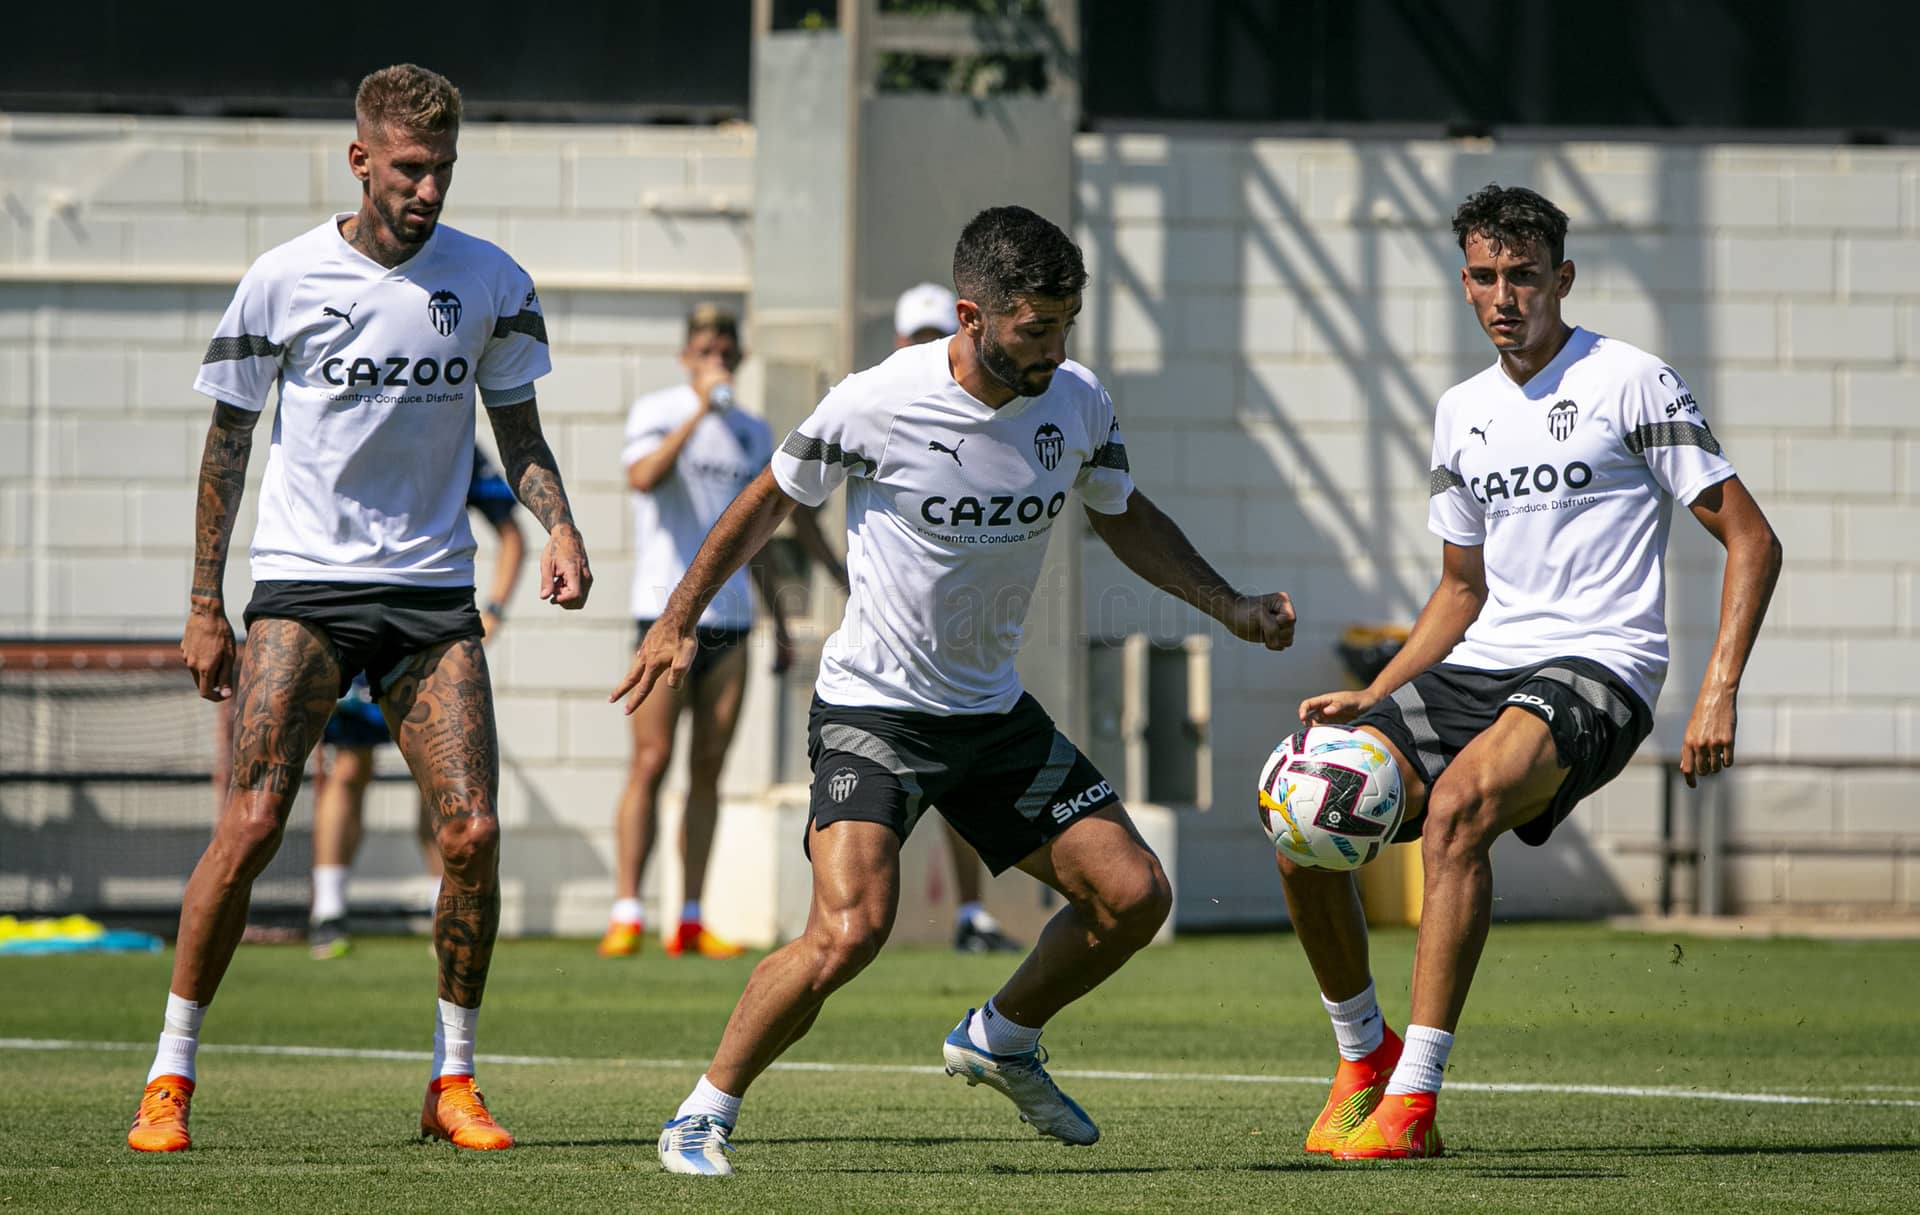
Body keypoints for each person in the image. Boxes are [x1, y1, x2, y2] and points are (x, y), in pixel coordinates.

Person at [614, 205, 1297, 1177]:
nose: (1056, 348)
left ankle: (1003, 1036)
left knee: (1134, 894)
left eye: (1067, 325)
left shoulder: (1077, 402)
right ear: (973, 316)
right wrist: (679, 615)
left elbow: (1122, 514)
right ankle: (701, 1113)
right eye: (1037, 328)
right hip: (874, 714)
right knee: (850, 930)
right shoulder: (878, 400)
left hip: (990, 716)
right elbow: (767, 500)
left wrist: (1227, 605)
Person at [128, 63, 592, 1155]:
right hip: (303, 589)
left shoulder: (491, 281)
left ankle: (453, 1080)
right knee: (250, 827)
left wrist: (562, 527)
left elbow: (519, 431)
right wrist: (205, 604)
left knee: (473, 832)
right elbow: (228, 444)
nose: (428, 190)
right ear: (360, 159)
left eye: (444, 170)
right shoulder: (282, 279)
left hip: (432, 594)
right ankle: (169, 1076)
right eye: (410, 168)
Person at [1278, 184, 1782, 1160]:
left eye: (1523, 275)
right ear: (1464, 284)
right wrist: (1377, 694)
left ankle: (1414, 1106)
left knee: (1461, 806)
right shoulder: (1460, 411)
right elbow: (1460, 589)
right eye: (1485, 277)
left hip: (1602, 663)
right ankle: (1363, 1056)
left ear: (1563, 278)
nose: (1505, 296)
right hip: (1484, 661)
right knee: (1303, 812)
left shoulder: (1631, 380)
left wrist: (1717, 690)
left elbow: (1752, 540)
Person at [598, 305, 820, 960]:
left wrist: (781, 619)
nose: (716, 360)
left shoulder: (754, 431)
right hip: (662, 616)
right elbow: (642, 477)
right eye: (705, 350)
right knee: (651, 759)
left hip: (733, 623)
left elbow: (758, 534)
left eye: (726, 351)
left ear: (740, 357)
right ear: (686, 356)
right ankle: (627, 910)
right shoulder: (659, 411)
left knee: (709, 768)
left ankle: (690, 917)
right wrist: (698, 411)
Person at [308, 447, 526, 960]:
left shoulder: (453, 439)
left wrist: (494, 610)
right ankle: (328, 910)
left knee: (441, 781)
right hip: (352, 623)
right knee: (349, 769)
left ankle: (443, 910)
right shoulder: (350, 430)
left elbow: (511, 532)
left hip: (427, 629)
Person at [893, 281, 1022, 954]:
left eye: (934, 335)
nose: (927, 348)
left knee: (958, 790)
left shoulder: (1000, 413)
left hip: (970, 657)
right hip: (889, 661)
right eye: (916, 337)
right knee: (874, 803)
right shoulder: (881, 403)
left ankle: (971, 913)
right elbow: (789, 497)